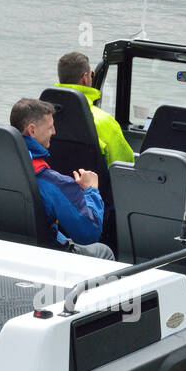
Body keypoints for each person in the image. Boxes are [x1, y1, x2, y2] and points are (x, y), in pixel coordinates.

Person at [11, 98, 114, 259]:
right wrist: (91, 190)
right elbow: (88, 233)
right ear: (32, 130)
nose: (54, 132)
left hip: (5, 244)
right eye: (50, 127)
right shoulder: (51, 181)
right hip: (44, 254)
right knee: (103, 251)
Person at [55, 52, 134, 166]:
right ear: (85, 78)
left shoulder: (43, 114)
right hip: (92, 183)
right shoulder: (103, 121)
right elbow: (124, 164)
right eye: (92, 75)